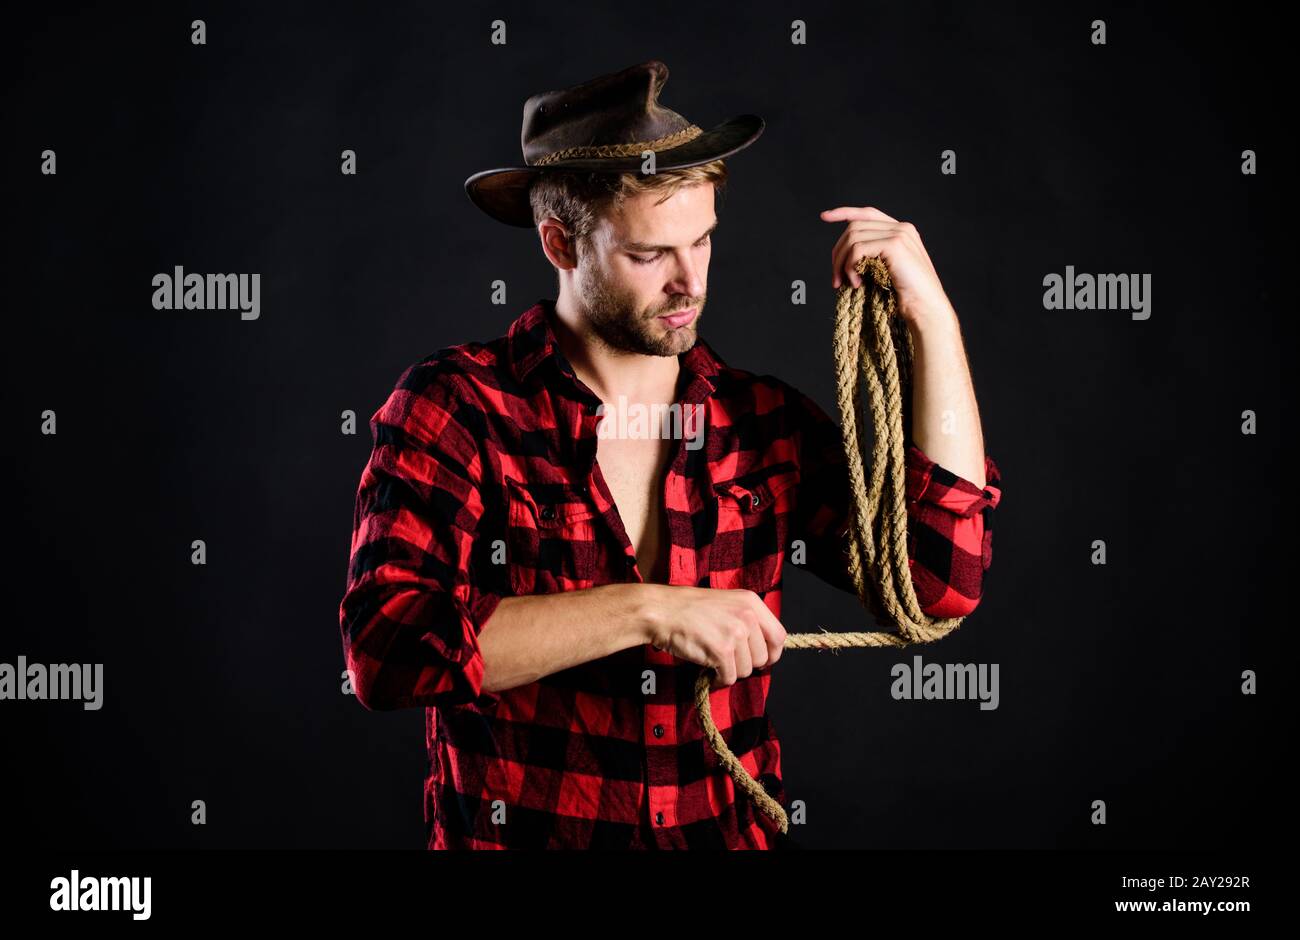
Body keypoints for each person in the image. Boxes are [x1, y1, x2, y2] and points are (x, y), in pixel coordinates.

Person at [338, 60, 1003, 850]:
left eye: (705, 241)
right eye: (651, 255)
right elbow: (387, 653)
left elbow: (941, 583)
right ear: (559, 243)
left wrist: (935, 321)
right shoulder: (457, 407)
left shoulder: (757, 422)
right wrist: (649, 608)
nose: (690, 282)